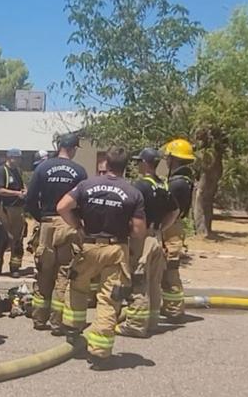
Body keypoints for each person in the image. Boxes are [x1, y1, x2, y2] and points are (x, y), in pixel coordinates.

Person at [56, 147, 146, 365]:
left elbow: (62, 207)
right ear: (127, 166)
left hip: (88, 246)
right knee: (109, 298)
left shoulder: (87, 185)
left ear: (106, 162)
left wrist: (77, 226)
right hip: (116, 250)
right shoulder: (133, 193)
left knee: (77, 288)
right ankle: (100, 352)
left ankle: (73, 334)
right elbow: (138, 231)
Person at [24, 132, 87, 331]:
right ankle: (57, 321)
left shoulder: (43, 168)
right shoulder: (79, 171)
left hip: (47, 224)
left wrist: (41, 218)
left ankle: (39, 319)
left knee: (44, 271)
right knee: (64, 273)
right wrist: (77, 223)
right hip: (68, 225)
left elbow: (31, 199)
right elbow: (82, 202)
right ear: (73, 148)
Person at [118, 148, 179, 338]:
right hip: (157, 237)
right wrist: (160, 229)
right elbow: (175, 211)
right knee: (154, 282)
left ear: (145, 163)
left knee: (139, 281)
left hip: (141, 239)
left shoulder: (140, 186)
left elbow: (127, 210)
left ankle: (136, 325)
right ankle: (152, 321)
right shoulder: (163, 185)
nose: (137, 165)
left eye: (138, 162)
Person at [160, 138, 197, 321]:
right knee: (166, 269)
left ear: (174, 159)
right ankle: (170, 307)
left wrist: (161, 229)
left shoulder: (177, 183)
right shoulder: (181, 180)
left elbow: (172, 211)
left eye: (168, 157)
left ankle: (174, 310)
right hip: (173, 228)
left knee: (170, 270)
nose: (166, 160)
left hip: (171, 229)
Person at [0, 148, 27, 276]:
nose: (18, 160)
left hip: (18, 209)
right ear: (8, 157)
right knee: (4, 238)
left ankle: (15, 268)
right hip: (6, 208)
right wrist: (17, 194)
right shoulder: (2, 170)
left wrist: (24, 191)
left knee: (17, 240)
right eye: (15, 158)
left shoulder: (17, 171)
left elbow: (22, 186)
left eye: (19, 158)